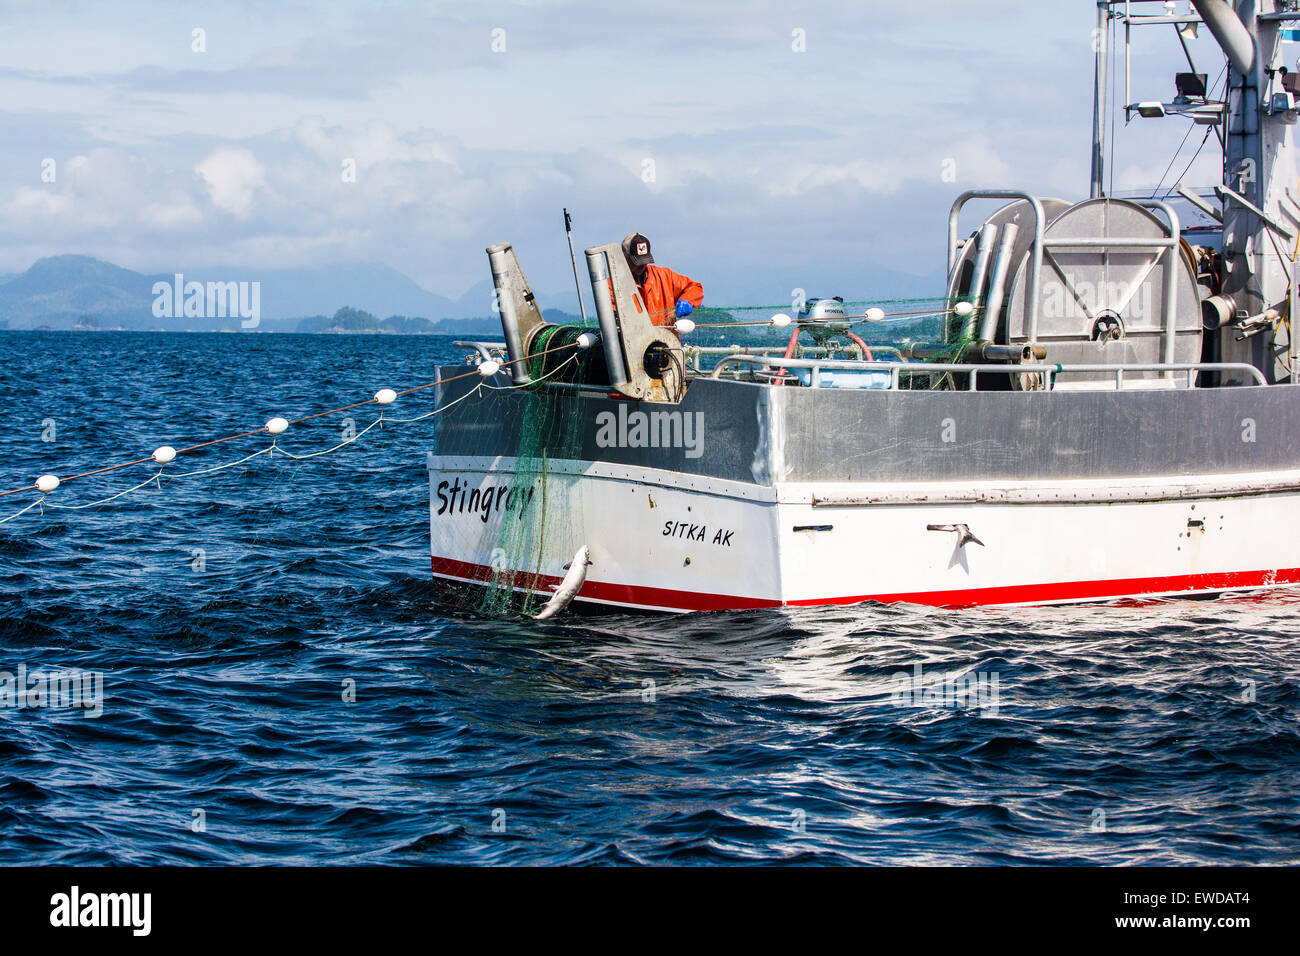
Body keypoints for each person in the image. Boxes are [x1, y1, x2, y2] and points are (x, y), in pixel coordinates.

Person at [621, 233, 703, 328]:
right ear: (624, 258)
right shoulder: (613, 286)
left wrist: (687, 300)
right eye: (637, 262)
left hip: (667, 340)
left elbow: (695, 287)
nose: (642, 266)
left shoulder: (665, 276)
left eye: (645, 261)